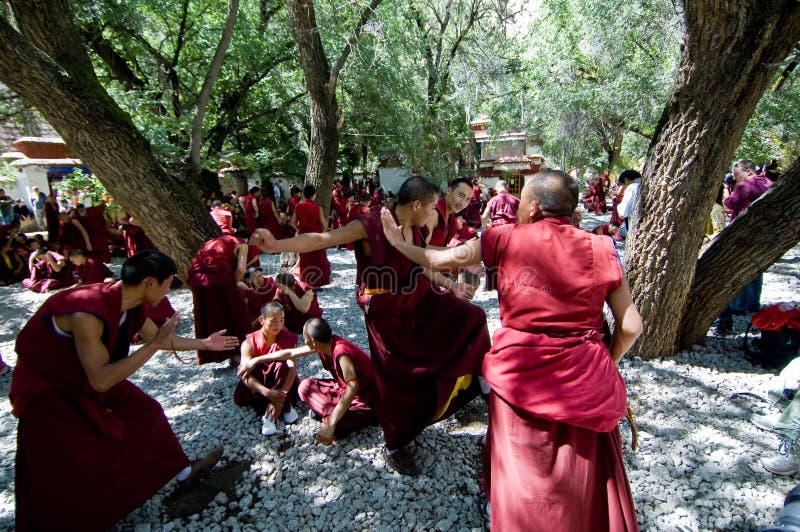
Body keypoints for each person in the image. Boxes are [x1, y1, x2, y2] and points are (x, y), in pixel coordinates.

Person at [379, 169, 643, 530]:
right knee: (580, 474)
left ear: (533, 207)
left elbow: (441, 260)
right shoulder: (600, 247)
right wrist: (604, 364)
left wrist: (398, 245)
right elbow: (631, 326)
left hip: (521, 376)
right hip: (584, 381)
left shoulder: (504, 237)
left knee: (523, 471)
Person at [252, 175, 490, 475]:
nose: (433, 214)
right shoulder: (370, 224)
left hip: (418, 299)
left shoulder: (416, 228)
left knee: (472, 317)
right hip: (386, 313)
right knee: (396, 379)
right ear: (416, 204)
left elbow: (422, 264)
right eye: (431, 207)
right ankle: (394, 445)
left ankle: (481, 379)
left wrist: (451, 286)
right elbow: (323, 238)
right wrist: (275, 245)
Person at [9, 250, 238, 530]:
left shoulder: (128, 304)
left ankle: (185, 472)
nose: (170, 290)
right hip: (51, 389)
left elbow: (159, 338)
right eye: (168, 283)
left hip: (88, 376)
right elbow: (102, 380)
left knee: (145, 411)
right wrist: (151, 348)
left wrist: (205, 344)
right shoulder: (87, 313)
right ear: (150, 283)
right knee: (64, 460)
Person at [714, 159, 774, 335]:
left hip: (743, 232)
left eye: (736, 175)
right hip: (763, 233)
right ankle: (753, 302)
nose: (735, 178)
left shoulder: (745, 185)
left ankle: (739, 304)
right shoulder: (770, 183)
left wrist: (727, 191)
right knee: (756, 268)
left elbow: (728, 205)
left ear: (748, 171)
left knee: (736, 267)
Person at [234, 301, 311, 436]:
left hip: (282, 383)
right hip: (259, 386)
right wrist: (267, 393)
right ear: (261, 320)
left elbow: (292, 369)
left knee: (283, 364)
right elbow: (244, 374)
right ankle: (283, 407)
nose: (278, 325)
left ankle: (279, 407)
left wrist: (278, 401)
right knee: (253, 369)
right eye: (274, 320)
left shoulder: (289, 338)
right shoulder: (249, 342)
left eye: (282, 320)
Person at [299, 317, 378, 445]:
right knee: (304, 386)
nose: (304, 341)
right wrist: (258, 359)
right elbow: (291, 353)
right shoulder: (325, 345)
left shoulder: (340, 351)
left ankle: (331, 420)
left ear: (313, 341)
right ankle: (331, 415)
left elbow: (353, 387)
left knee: (339, 423)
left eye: (305, 338)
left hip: (365, 401)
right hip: (342, 390)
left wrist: (331, 423)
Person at [187, 234, 252, 364]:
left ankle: (221, 354)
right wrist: (234, 282)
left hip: (198, 279)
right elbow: (241, 269)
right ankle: (240, 352)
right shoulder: (242, 244)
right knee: (237, 314)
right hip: (220, 277)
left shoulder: (212, 242)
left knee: (213, 316)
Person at [290, 185, 331, 289]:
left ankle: (307, 283)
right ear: (314, 195)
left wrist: (299, 230)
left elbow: (292, 222)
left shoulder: (298, 206)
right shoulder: (317, 207)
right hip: (316, 236)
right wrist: (322, 234)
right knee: (318, 260)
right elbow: (324, 225)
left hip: (304, 236)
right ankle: (318, 283)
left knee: (306, 260)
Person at [426, 177, 472, 247]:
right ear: (449, 191)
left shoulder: (451, 216)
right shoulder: (434, 214)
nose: (463, 204)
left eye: (468, 200)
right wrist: (459, 249)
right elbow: (422, 250)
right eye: (461, 195)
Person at [615, 169, 642, 237]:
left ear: (626, 180)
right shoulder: (644, 184)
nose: (623, 188)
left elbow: (623, 213)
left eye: (622, 185)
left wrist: (618, 207)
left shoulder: (631, 188)